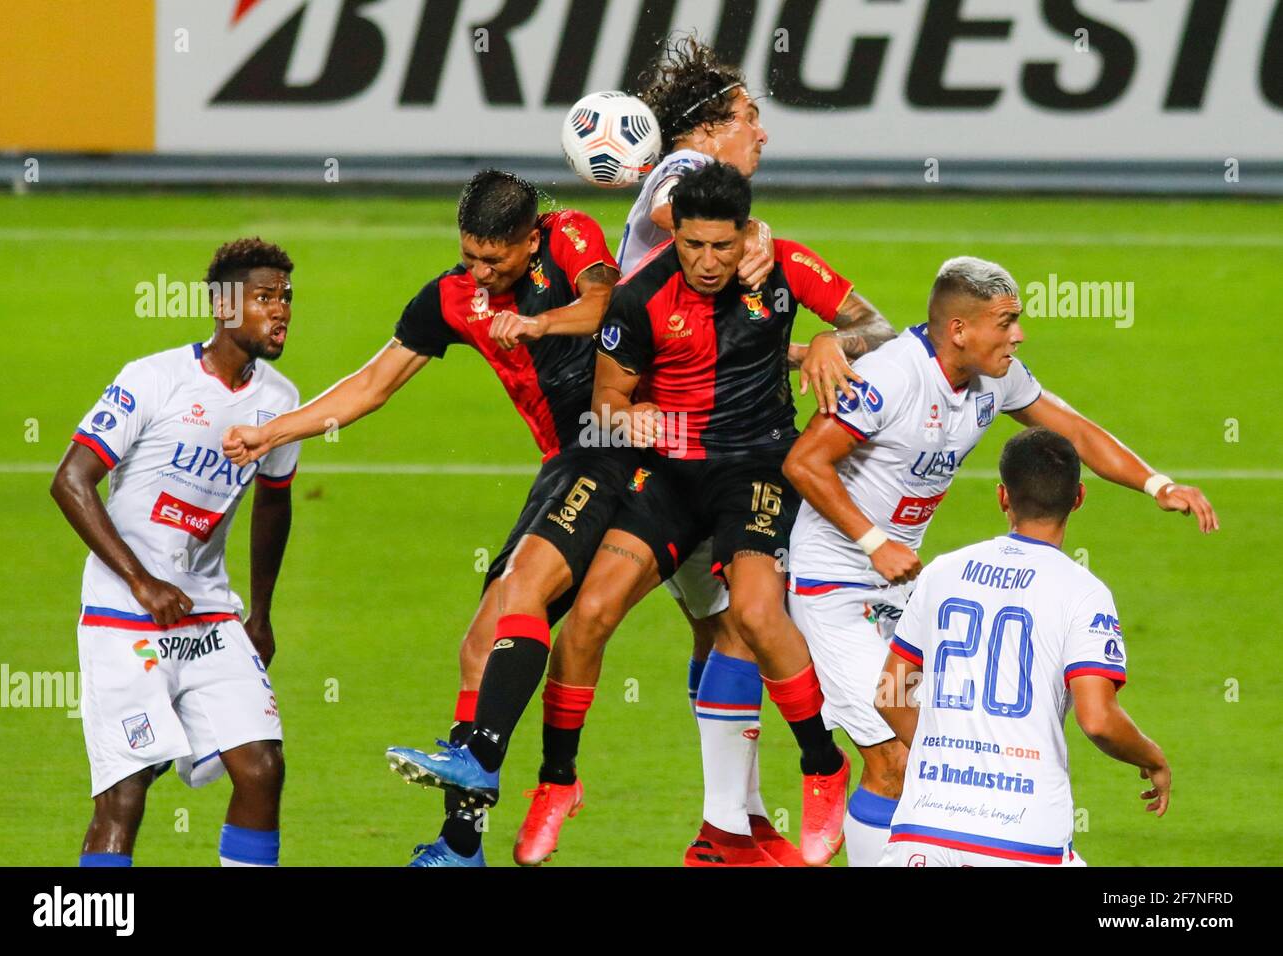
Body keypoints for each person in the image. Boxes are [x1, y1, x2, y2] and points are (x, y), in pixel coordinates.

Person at [545, 34, 884, 868]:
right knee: (741, 623)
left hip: (700, 451)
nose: (761, 132)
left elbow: (860, 321)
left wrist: (816, 348)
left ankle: (732, 827)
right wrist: (750, 227)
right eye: (748, 116)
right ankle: (735, 817)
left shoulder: (715, 220)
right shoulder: (675, 179)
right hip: (665, 451)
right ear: (704, 130)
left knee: (730, 627)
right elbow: (678, 210)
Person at [222, 171, 624, 866]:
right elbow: (373, 383)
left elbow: (602, 303)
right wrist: (277, 431)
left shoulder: (570, 239)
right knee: (477, 648)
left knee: (526, 602)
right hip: (564, 462)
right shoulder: (453, 297)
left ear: (531, 240)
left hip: (620, 450)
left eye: (494, 260)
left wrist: (535, 322)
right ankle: (460, 845)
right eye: (469, 254)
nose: (480, 272)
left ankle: (544, 780)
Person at [782, 256, 1217, 866]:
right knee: (897, 758)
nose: (1019, 335)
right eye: (1006, 321)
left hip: (902, 585)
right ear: (959, 329)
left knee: (932, 748)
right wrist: (871, 540)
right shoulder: (893, 378)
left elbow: (1075, 432)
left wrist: (1156, 485)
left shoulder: (995, 376)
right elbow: (804, 462)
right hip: (837, 583)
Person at [51, 238, 300, 867]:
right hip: (122, 613)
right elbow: (70, 480)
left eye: (287, 298)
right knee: (126, 797)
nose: (282, 311)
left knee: (262, 768)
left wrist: (262, 613)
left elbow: (273, 502)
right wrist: (140, 581)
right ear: (223, 307)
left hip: (208, 613)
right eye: (265, 298)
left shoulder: (281, 401)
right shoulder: (153, 379)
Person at [874, 427, 1172, 866]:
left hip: (922, 831)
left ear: (1002, 497)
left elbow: (889, 694)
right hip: (1024, 842)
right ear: (1078, 497)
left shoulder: (942, 573)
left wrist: (946, 758)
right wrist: (1153, 757)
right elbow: (1098, 719)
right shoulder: (1083, 593)